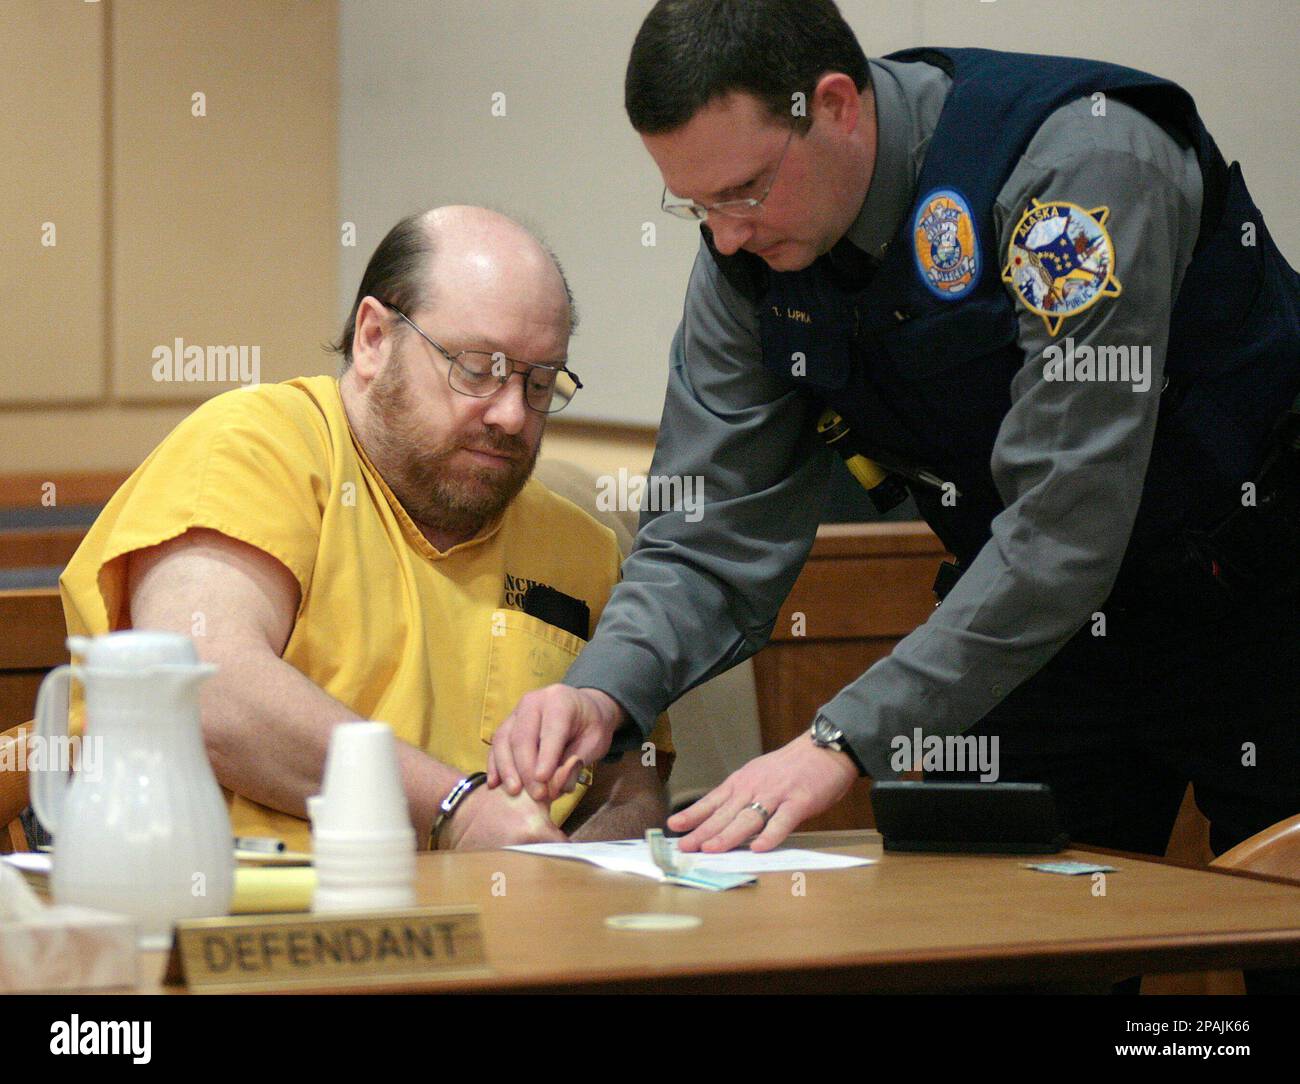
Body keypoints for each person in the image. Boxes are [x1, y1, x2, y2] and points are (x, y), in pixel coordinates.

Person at [487, 0, 1299, 888]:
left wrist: (842, 740)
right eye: (694, 206)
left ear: (836, 105)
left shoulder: (1076, 172)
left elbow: (1064, 527)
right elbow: (704, 533)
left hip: (1263, 584)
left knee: (1277, 923)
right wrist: (604, 691)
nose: (724, 235)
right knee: (994, 937)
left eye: (744, 191)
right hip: (1031, 626)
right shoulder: (749, 261)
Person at [60, 205, 671, 853]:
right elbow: (201, 689)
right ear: (374, 338)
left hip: (506, 932)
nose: (513, 416)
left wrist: (571, 880)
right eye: (476, 369)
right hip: (241, 917)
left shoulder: (581, 544)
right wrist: (455, 810)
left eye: (541, 381)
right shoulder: (254, 448)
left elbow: (634, 785)